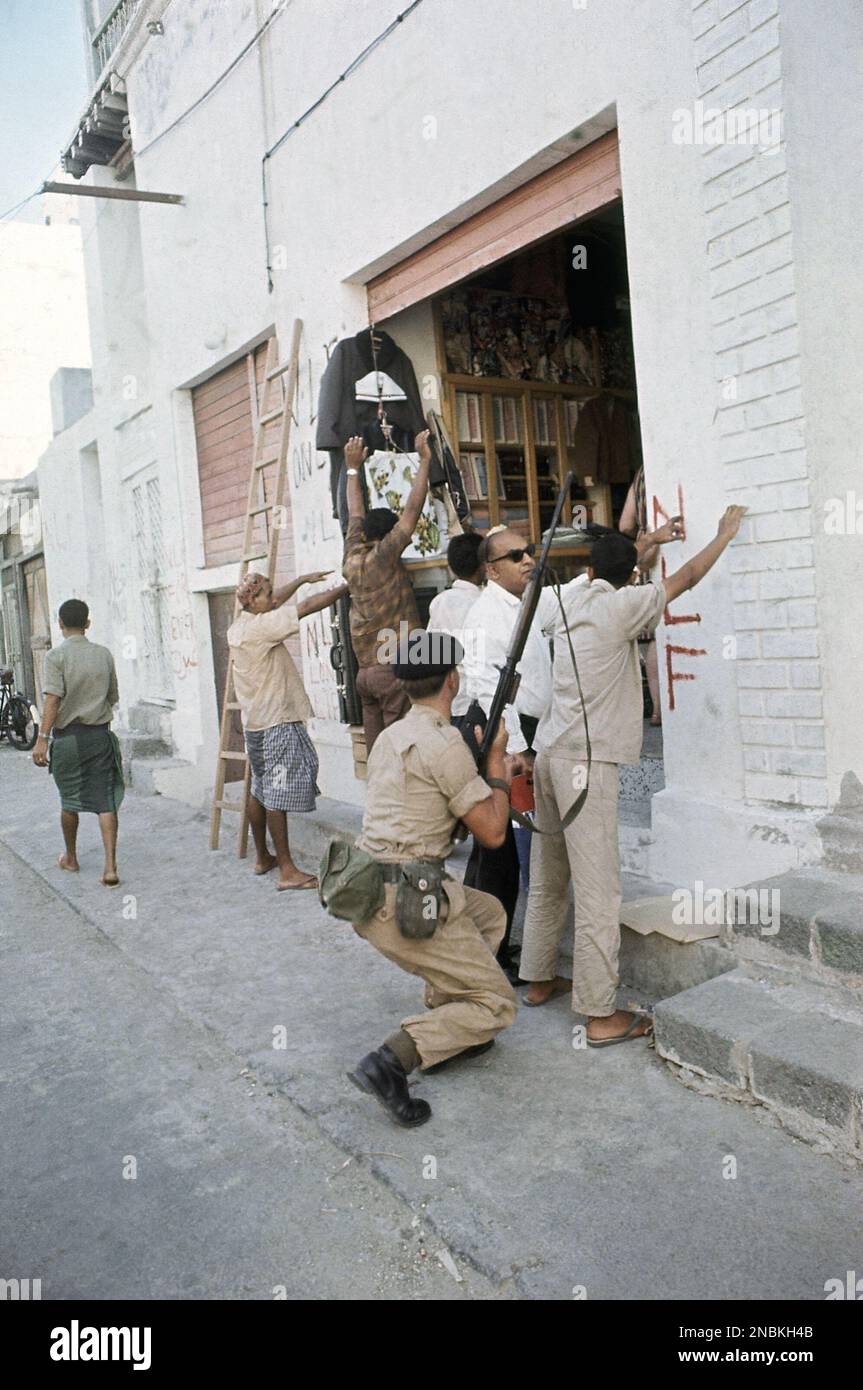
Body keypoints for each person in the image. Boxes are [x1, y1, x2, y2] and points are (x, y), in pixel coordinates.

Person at [519, 505, 747, 1045]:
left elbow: (623, 563)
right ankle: (600, 1015)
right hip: (584, 764)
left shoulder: (573, 596)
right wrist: (723, 536)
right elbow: (685, 578)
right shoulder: (625, 607)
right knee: (599, 890)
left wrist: (651, 540)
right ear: (630, 579)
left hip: (549, 751)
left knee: (550, 876)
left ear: (593, 570)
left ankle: (536, 977)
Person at [347, 630, 517, 1128]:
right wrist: (496, 766)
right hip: (410, 899)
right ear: (453, 679)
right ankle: (393, 1060)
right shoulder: (444, 745)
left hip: (369, 887)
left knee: (489, 913)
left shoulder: (391, 736)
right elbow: (491, 833)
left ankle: (450, 1026)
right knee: (497, 1004)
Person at [227, 569, 347, 891]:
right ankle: (287, 870)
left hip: (256, 723)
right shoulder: (263, 627)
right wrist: (345, 588)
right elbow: (306, 607)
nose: (274, 596)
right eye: (267, 593)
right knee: (276, 797)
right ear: (254, 601)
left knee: (259, 789)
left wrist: (302, 578)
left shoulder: (240, 625)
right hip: (276, 721)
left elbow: (278, 598)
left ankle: (263, 856)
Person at [342, 430, 432, 752]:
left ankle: (379, 803)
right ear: (387, 536)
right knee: (402, 753)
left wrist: (352, 468)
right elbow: (411, 512)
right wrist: (424, 460)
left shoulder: (352, 553)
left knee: (378, 756)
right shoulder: (383, 557)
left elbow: (355, 512)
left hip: (364, 675)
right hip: (393, 670)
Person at [32, 598, 124, 886]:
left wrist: (42, 740)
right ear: (87, 623)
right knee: (105, 800)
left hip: (68, 739)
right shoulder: (104, 654)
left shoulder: (55, 657)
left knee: (69, 801)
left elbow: (52, 700)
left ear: (60, 625)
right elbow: (113, 696)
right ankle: (110, 868)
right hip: (99, 736)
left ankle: (71, 858)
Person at [619, 467, 685, 726]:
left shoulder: (640, 475)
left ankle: (658, 709)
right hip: (675, 550)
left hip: (648, 553)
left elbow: (625, 523)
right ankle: (669, 707)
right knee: (667, 632)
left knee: (654, 639)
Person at [426, 530, 484, 719]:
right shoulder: (485, 603)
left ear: (450, 567)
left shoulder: (439, 602)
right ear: (484, 566)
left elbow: (431, 650)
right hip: (478, 702)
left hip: (449, 700)